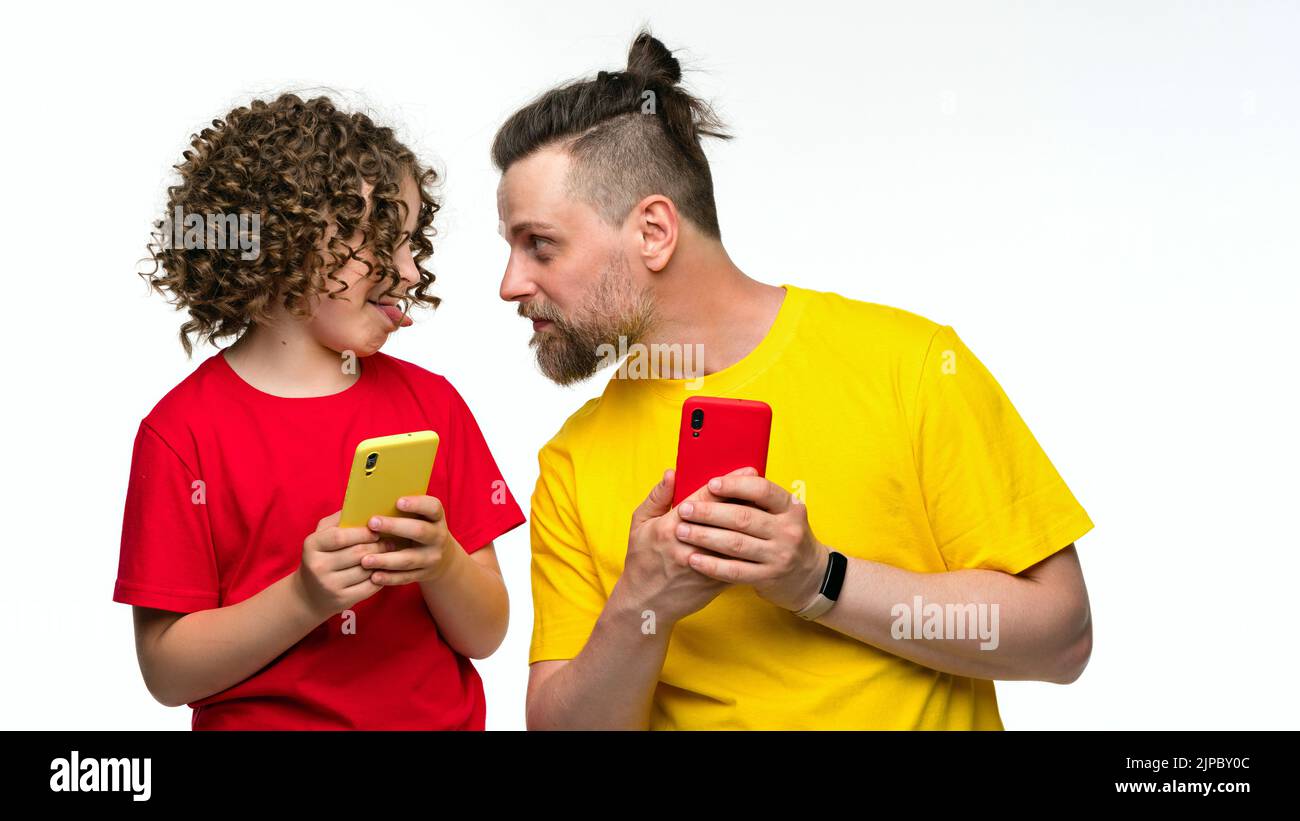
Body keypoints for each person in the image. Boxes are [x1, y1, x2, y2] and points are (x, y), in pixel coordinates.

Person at [494, 30, 1095, 729]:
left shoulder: (911, 364)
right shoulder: (572, 462)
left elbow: (1063, 639)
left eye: (538, 244)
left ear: (654, 231)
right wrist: (642, 601)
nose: (510, 284)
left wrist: (819, 579)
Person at [114, 93, 525, 729]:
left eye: (414, 243)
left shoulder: (432, 405)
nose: (411, 272)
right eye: (387, 242)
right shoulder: (181, 434)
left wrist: (442, 563)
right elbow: (167, 674)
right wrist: (304, 597)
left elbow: (487, 633)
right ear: (293, 240)